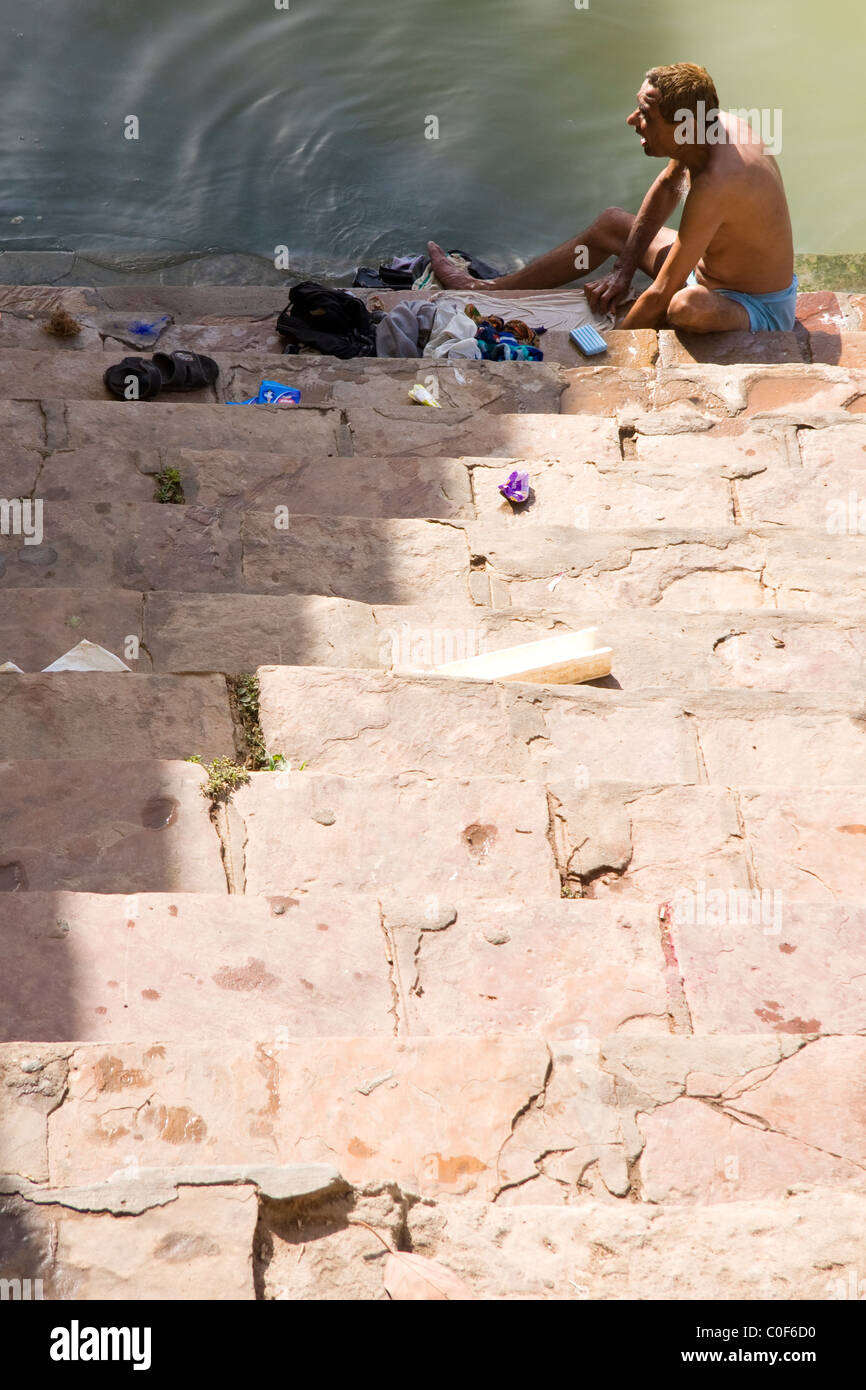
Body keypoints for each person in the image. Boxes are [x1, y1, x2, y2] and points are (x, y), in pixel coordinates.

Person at [427, 63, 797, 333]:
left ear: (682, 126)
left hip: (754, 306)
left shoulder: (720, 181)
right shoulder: (706, 126)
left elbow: (661, 293)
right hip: (704, 268)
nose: (632, 119)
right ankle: (491, 289)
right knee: (612, 224)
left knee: (683, 306)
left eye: (646, 114)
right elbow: (669, 186)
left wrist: (605, 356)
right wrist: (623, 269)